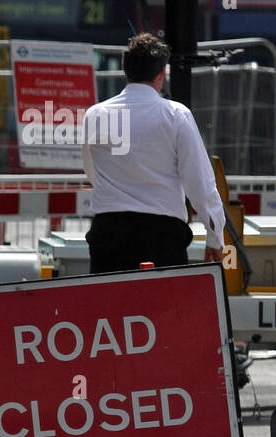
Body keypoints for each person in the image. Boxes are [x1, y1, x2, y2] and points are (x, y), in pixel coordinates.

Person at [81, 33, 225, 274]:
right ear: (161, 74)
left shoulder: (96, 115)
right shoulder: (176, 115)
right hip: (162, 234)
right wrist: (215, 236)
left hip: (109, 232)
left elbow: (91, 171)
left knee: (108, 308)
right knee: (162, 310)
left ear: (126, 71)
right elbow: (199, 181)